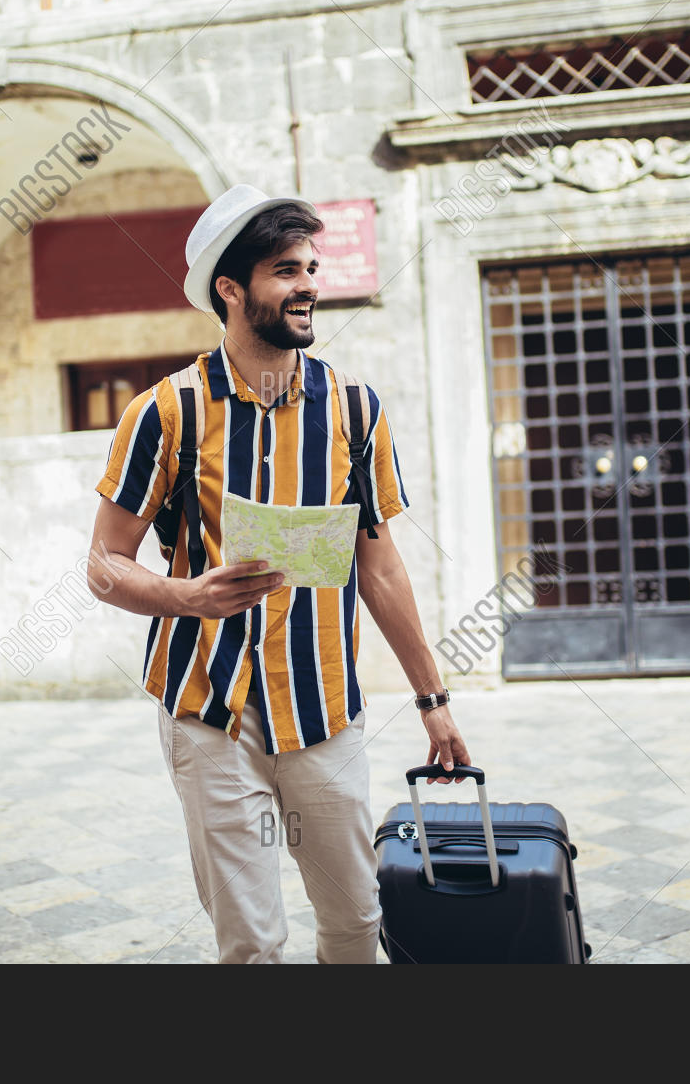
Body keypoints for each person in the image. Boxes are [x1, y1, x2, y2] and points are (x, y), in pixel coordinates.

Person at [86, 184, 470, 963]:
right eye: (283, 271)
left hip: (324, 708)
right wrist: (185, 595)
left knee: (358, 921)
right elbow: (102, 566)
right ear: (230, 290)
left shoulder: (355, 409)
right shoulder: (165, 414)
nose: (306, 286)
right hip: (208, 716)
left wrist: (434, 701)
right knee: (253, 943)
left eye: (310, 267)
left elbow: (381, 567)